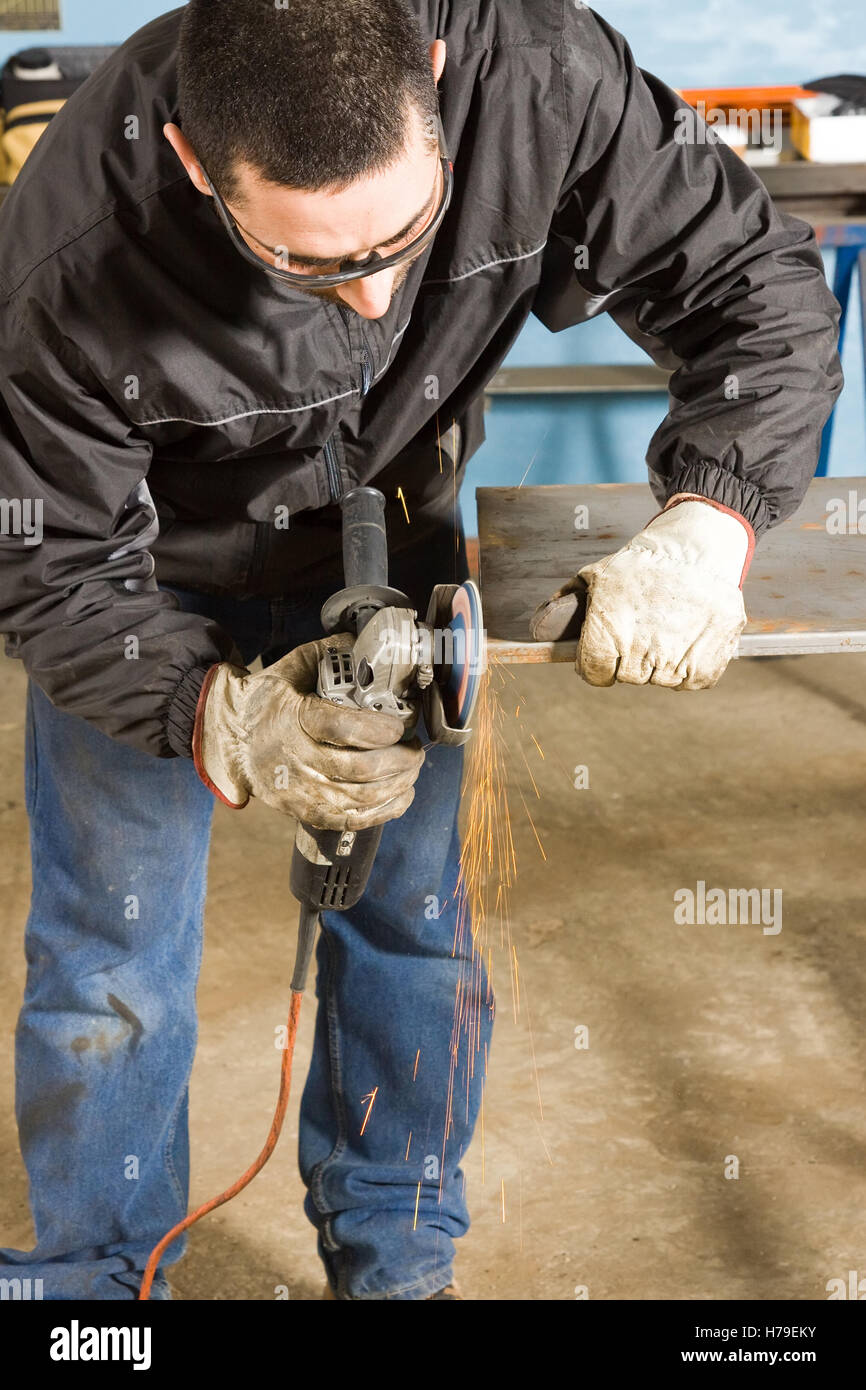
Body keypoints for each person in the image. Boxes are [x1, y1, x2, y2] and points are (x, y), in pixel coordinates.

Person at [0, 0, 841, 1300]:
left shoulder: (544, 82)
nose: (376, 292)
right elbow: (39, 547)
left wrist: (707, 523)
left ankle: (395, 1268)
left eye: (401, 235)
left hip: (393, 535)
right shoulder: (73, 234)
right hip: (150, 583)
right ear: (189, 164)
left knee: (412, 936)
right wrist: (209, 711)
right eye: (307, 261)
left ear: (436, 81)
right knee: (111, 967)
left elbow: (760, 295)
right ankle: (99, 1293)